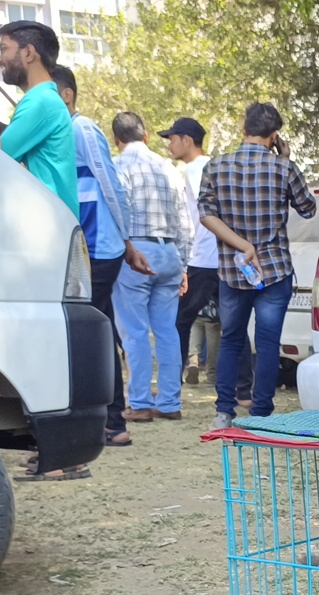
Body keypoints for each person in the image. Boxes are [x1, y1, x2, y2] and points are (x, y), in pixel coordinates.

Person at [198, 101, 315, 429]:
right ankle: (261, 414)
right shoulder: (283, 168)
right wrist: (286, 160)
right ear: (274, 136)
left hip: (233, 270)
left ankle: (224, 412)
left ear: (243, 129)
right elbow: (308, 209)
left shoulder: (216, 167)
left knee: (232, 339)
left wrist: (241, 245)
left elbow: (206, 214)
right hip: (275, 270)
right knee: (267, 344)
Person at [52, 65, 150, 449]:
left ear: (66, 96)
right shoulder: (61, 131)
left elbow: (111, 185)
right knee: (100, 330)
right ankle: (111, 422)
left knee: (91, 334)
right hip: (88, 245)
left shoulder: (82, 129)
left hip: (97, 247)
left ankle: (105, 422)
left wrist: (126, 241)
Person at [110, 111, 192, 424]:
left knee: (135, 332)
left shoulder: (118, 167)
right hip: (169, 250)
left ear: (118, 141)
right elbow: (185, 221)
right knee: (167, 330)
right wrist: (183, 263)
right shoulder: (169, 168)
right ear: (145, 136)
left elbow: (117, 213)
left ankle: (141, 402)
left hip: (135, 253)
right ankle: (170, 401)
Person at [161, 116, 221, 386]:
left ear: (187, 140)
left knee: (181, 321)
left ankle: (172, 383)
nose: (169, 145)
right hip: (219, 257)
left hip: (202, 257)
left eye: (172, 139)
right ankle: (243, 386)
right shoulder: (212, 166)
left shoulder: (197, 170)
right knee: (231, 323)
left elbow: (205, 214)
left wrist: (187, 258)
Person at [0, 20, 77, 218]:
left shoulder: (41, 102)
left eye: (4, 49)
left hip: (51, 226)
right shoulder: (44, 99)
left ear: (29, 53)